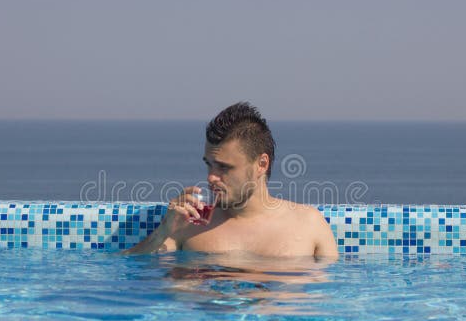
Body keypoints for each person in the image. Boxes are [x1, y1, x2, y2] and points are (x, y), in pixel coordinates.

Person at [125, 102, 338, 260]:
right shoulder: (187, 226)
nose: (211, 177)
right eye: (209, 164)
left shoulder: (308, 225)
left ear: (261, 164)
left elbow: (331, 304)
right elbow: (128, 269)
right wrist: (163, 232)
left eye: (224, 167)